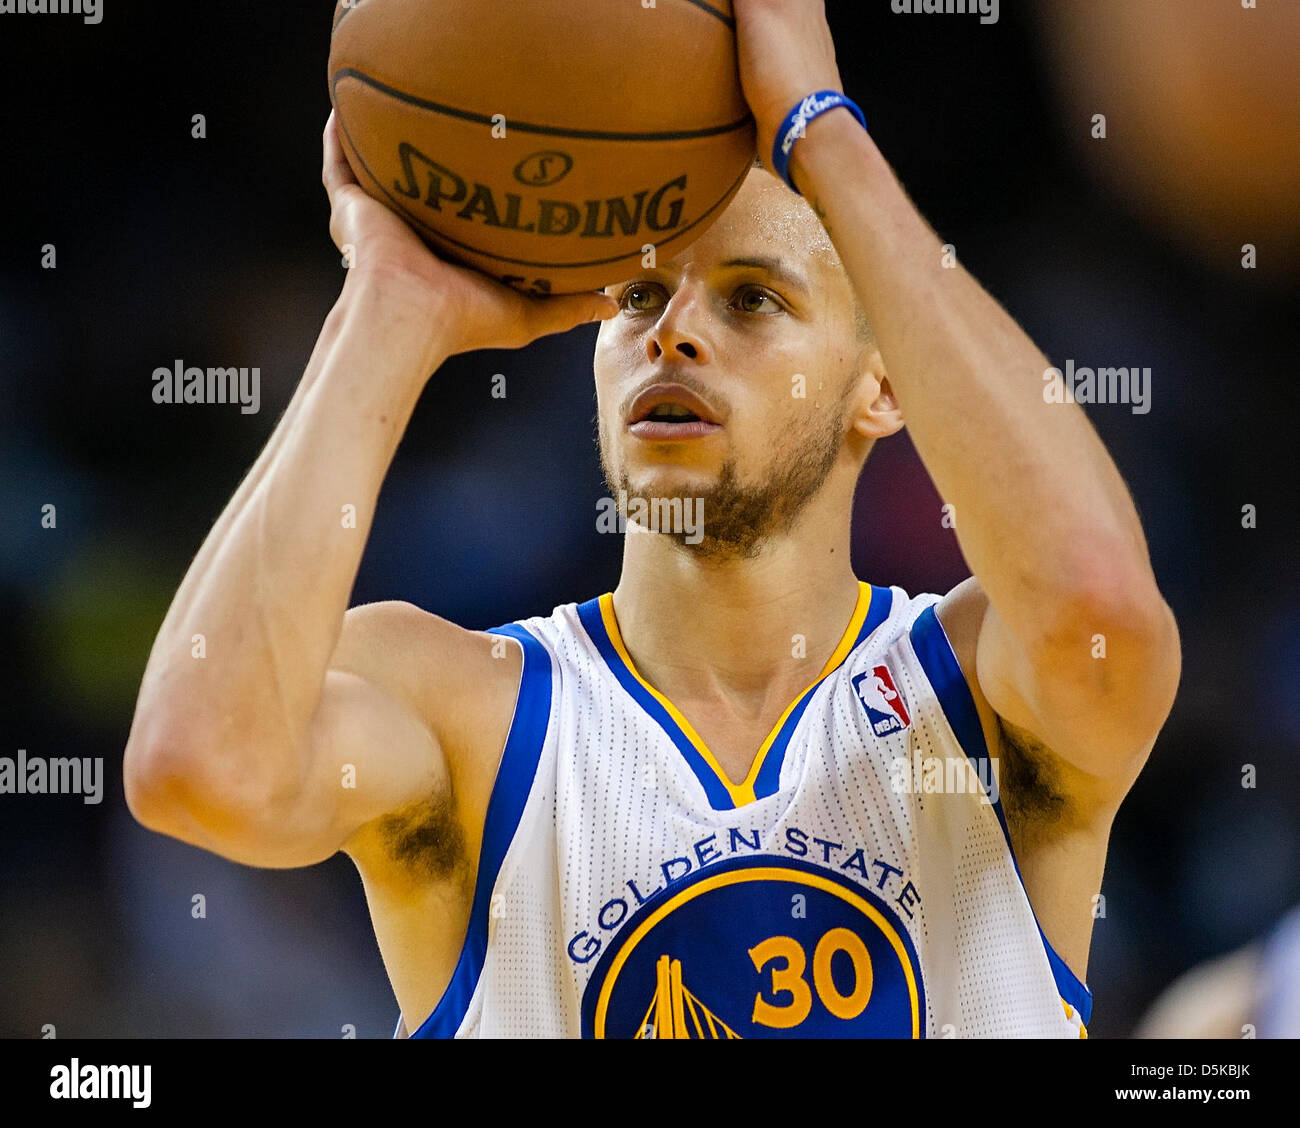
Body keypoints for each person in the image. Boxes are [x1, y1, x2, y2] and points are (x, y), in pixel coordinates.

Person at [123, 0, 1180, 1038]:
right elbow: (202, 767)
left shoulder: (981, 695)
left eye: (752, 299)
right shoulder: (466, 713)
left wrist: (822, 128)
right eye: (634, 297)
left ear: (883, 389)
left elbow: (1102, 606)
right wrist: (387, 304)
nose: (672, 334)